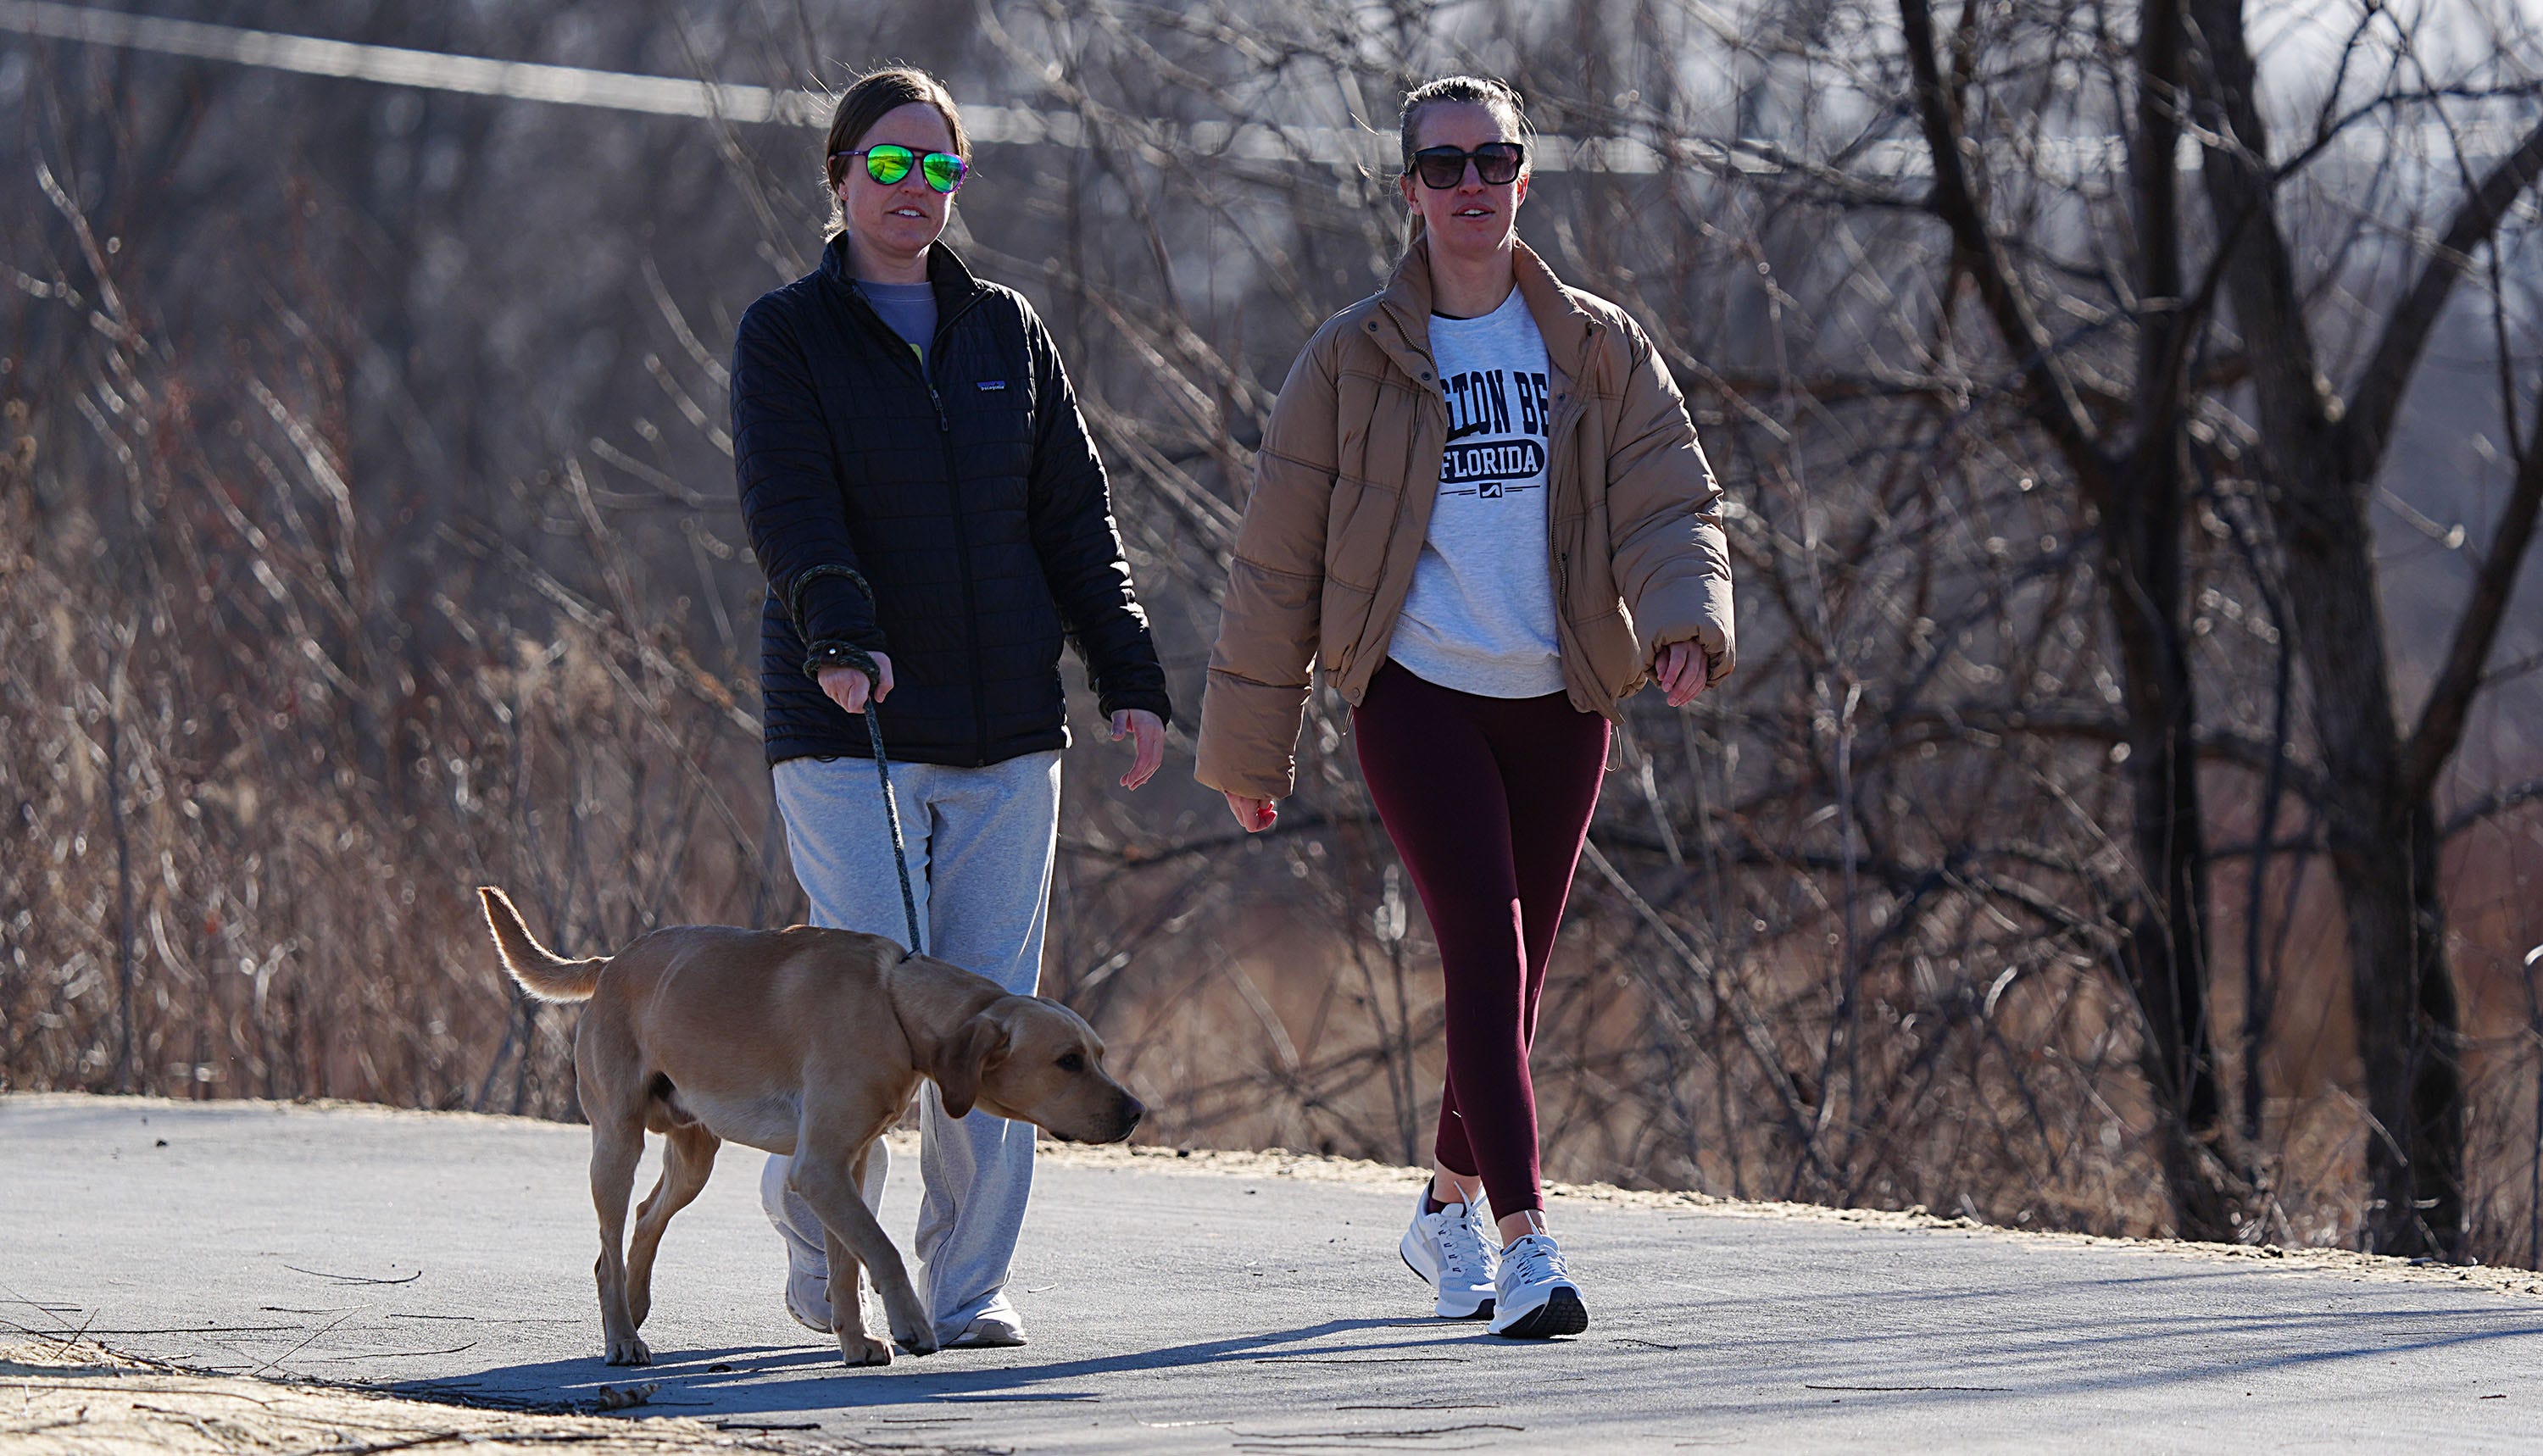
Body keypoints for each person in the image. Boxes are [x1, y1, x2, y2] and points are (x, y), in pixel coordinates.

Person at [1194, 75, 1734, 1340]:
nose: (1471, 184)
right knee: (1486, 956)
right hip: (1416, 692)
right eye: (1444, 166)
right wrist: (1252, 749)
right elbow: (1277, 558)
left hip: (1563, 695)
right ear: (1410, 192)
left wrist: (1684, 622)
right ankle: (1527, 1243)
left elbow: (1669, 496)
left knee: (1518, 978)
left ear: (1524, 179)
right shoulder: (1350, 358)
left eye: (1493, 160)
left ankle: (1445, 1203)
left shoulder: (1596, 344)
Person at [731, 66, 1171, 1350]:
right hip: (849, 727)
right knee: (860, 1025)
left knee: (998, 1028)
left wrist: (1129, 674)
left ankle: (969, 1287)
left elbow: (1075, 520)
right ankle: (825, 1258)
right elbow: (788, 502)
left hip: (1006, 737)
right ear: (839, 176)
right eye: (889, 163)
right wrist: (837, 630)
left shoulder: (1006, 331)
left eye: (939, 166)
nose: (913, 188)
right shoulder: (787, 333)